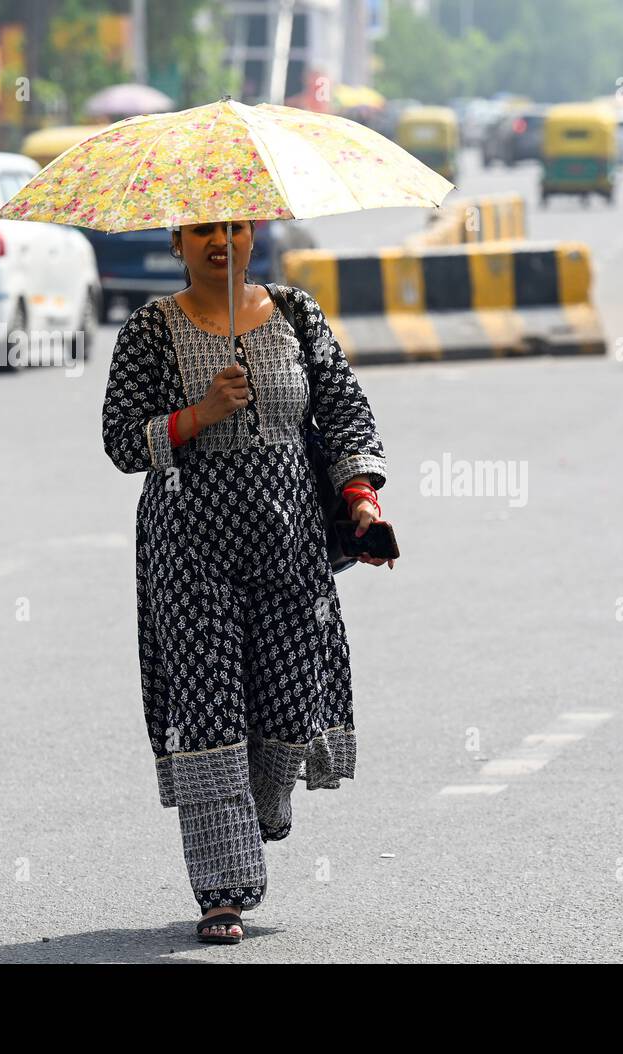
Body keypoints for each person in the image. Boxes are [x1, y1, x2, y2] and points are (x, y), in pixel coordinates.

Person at [101, 218, 395, 943]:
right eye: (202, 230)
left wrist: (360, 497)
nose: (219, 242)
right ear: (178, 242)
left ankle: (255, 807)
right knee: (206, 710)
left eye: (234, 228)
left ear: (254, 235)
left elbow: (345, 408)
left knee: (292, 701)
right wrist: (198, 414)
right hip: (188, 547)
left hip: (290, 539)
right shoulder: (150, 329)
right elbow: (119, 441)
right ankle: (222, 891)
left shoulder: (295, 312)